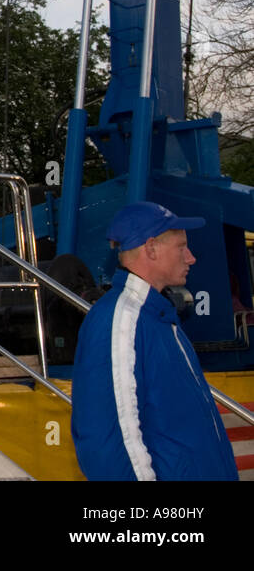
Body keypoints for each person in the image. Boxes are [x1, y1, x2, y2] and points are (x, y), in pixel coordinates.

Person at [71, 201, 238, 480]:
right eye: (181, 247)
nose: (191, 257)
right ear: (150, 248)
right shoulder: (122, 319)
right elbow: (107, 441)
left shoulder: (157, 317)